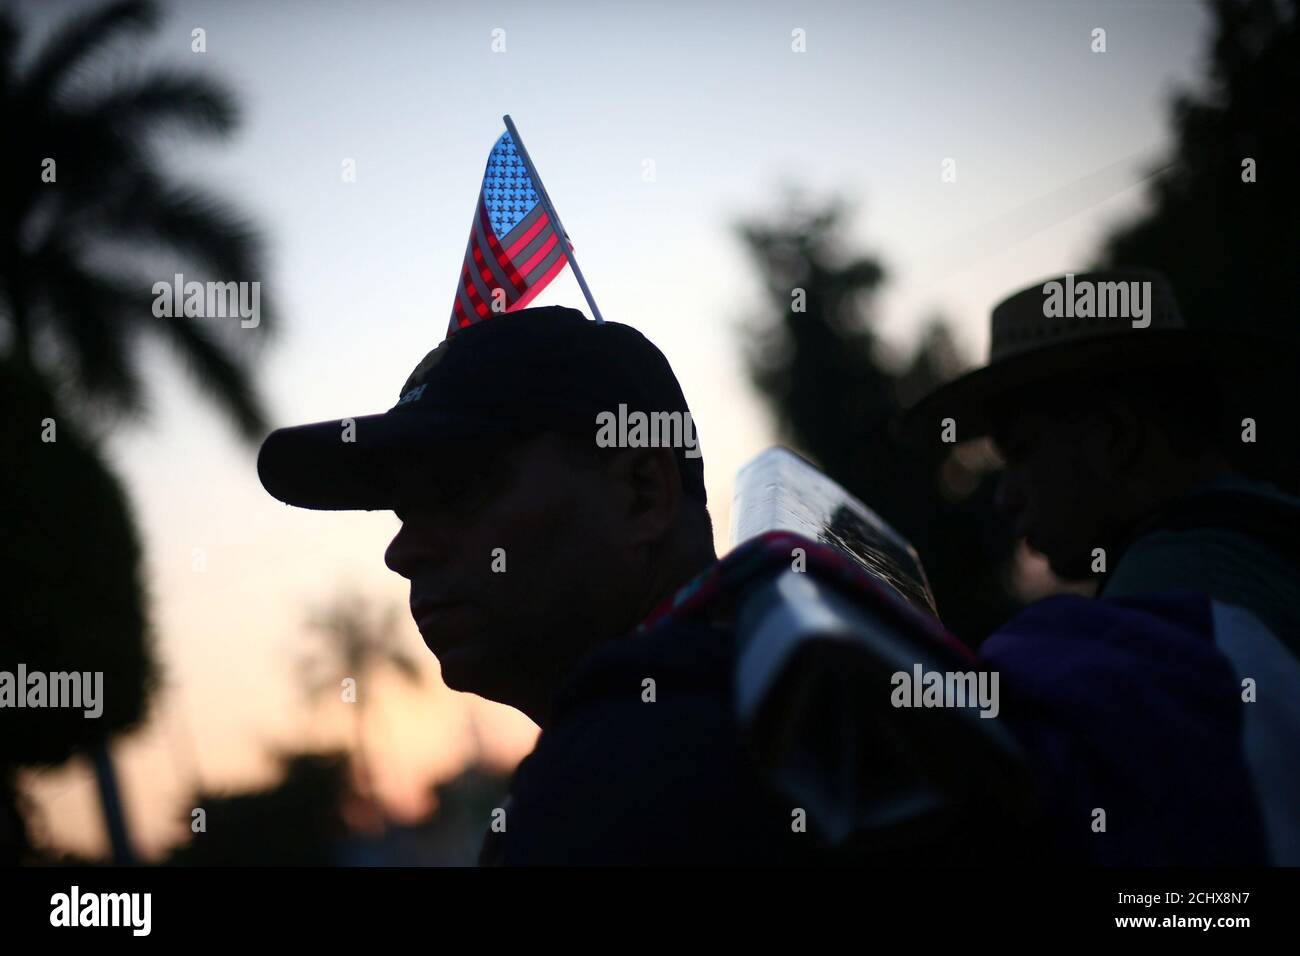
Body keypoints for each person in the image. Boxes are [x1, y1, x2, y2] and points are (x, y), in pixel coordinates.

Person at [258, 306, 816, 864]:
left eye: (459, 489)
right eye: (405, 511)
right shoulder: (781, 685)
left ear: (641, 493)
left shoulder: (610, 782)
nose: (401, 553)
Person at [902, 270, 1300, 864]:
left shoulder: (1170, 624)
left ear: (1116, 437)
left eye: (1021, 453)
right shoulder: (1267, 540)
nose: (1005, 496)